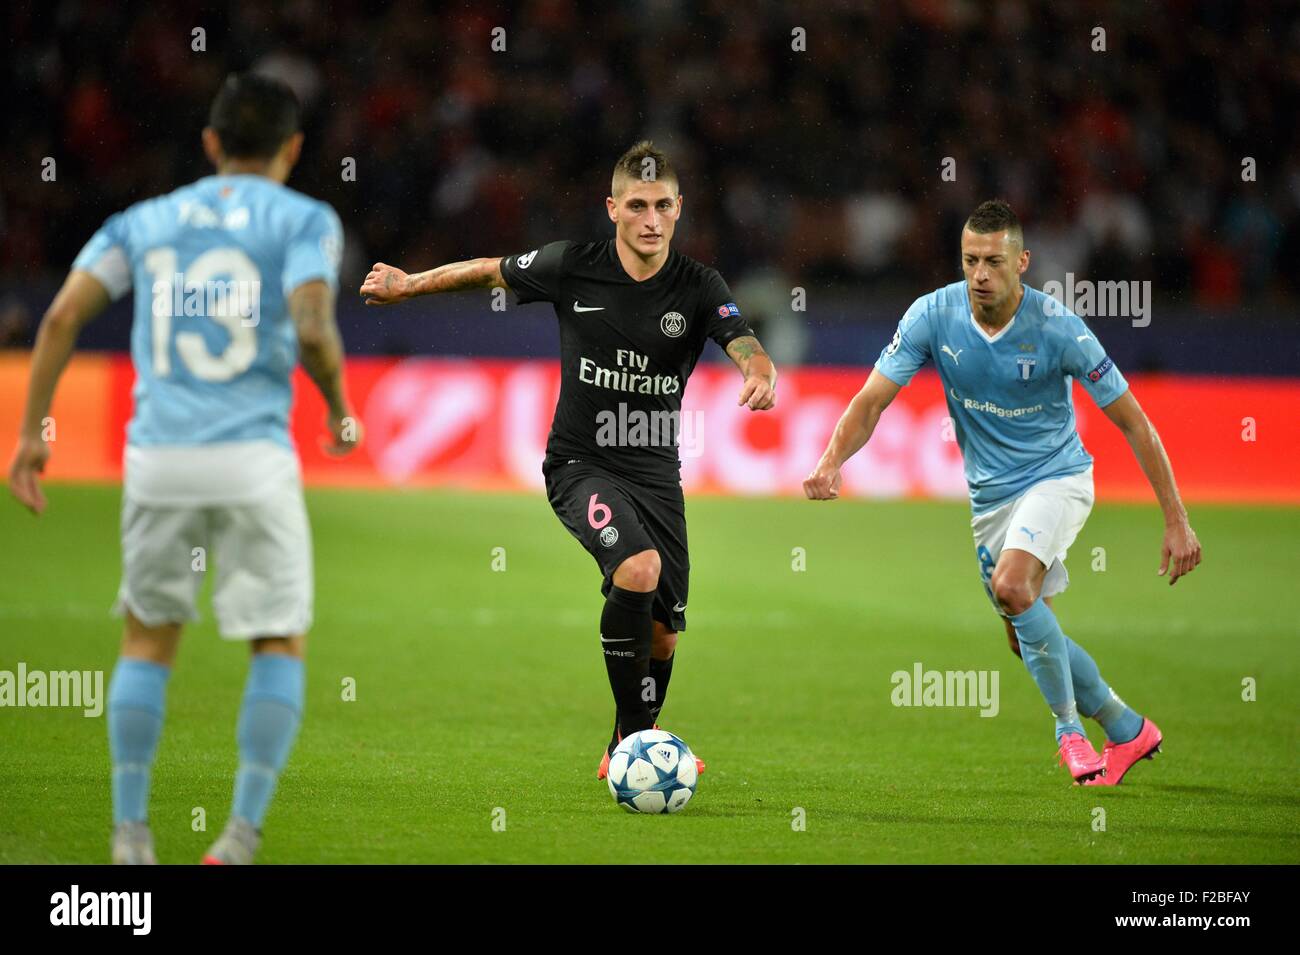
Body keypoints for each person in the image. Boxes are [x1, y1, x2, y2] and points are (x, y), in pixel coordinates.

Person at [7, 73, 360, 861]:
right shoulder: (305, 218)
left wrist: (32, 433)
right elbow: (311, 326)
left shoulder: (144, 220)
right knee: (276, 639)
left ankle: (131, 834)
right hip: (252, 460)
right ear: (294, 149)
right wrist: (338, 404)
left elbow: (62, 315)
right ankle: (237, 837)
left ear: (210, 143)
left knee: (146, 640)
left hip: (157, 458)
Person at [359, 141, 777, 780]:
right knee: (638, 568)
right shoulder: (571, 267)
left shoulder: (699, 286)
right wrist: (409, 285)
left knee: (663, 634)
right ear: (612, 208)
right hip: (579, 466)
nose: (651, 219)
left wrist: (760, 367)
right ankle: (639, 747)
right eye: (637, 205)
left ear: (679, 209)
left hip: (656, 476)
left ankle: (622, 740)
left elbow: (741, 338)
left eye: (663, 205)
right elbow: (489, 270)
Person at [804, 199, 1201, 785]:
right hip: (990, 499)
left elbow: (1134, 421)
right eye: (969, 261)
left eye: (993, 261)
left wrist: (1176, 519)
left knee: (1012, 586)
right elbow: (871, 401)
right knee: (1024, 635)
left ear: (1023, 262)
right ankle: (1127, 729)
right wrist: (832, 459)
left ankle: (1069, 732)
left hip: (1057, 477)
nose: (979, 275)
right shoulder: (932, 316)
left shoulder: (1059, 329)